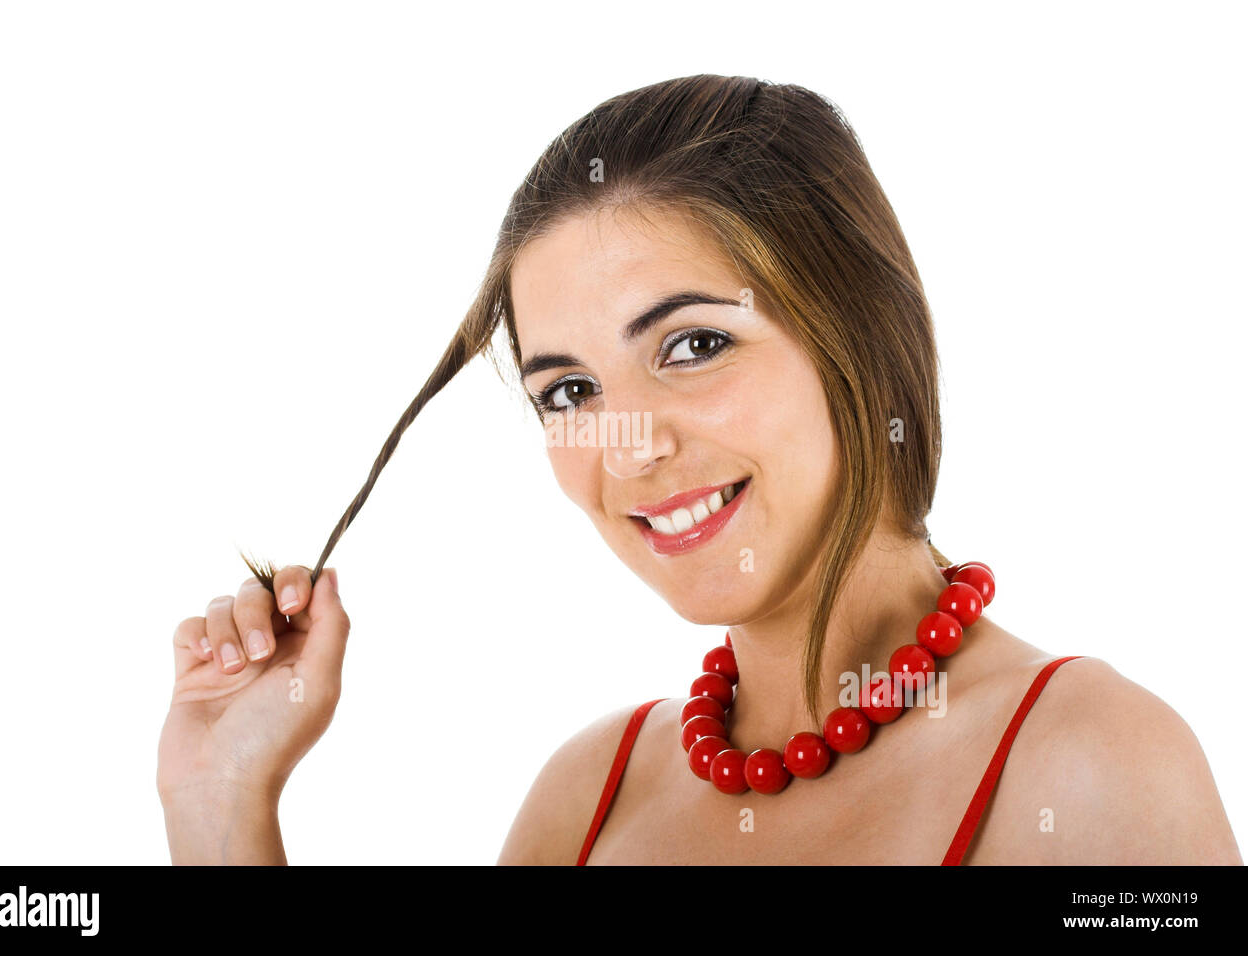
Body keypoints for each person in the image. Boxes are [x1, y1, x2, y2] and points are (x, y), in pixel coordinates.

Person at [156, 75, 1242, 865]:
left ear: (857, 332)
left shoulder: (1090, 761)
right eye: (567, 391)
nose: (624, 445)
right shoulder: (584, 800)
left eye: (691, 345)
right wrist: (220, 806)